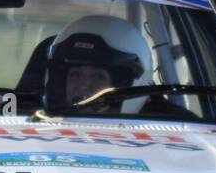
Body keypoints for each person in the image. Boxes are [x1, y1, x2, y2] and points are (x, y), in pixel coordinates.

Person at [43, 15, 195, 119]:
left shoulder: (177, 134)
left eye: (98, 76)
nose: (83, 86)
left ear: (127, 84)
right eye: (75, 74)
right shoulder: (32, 120)